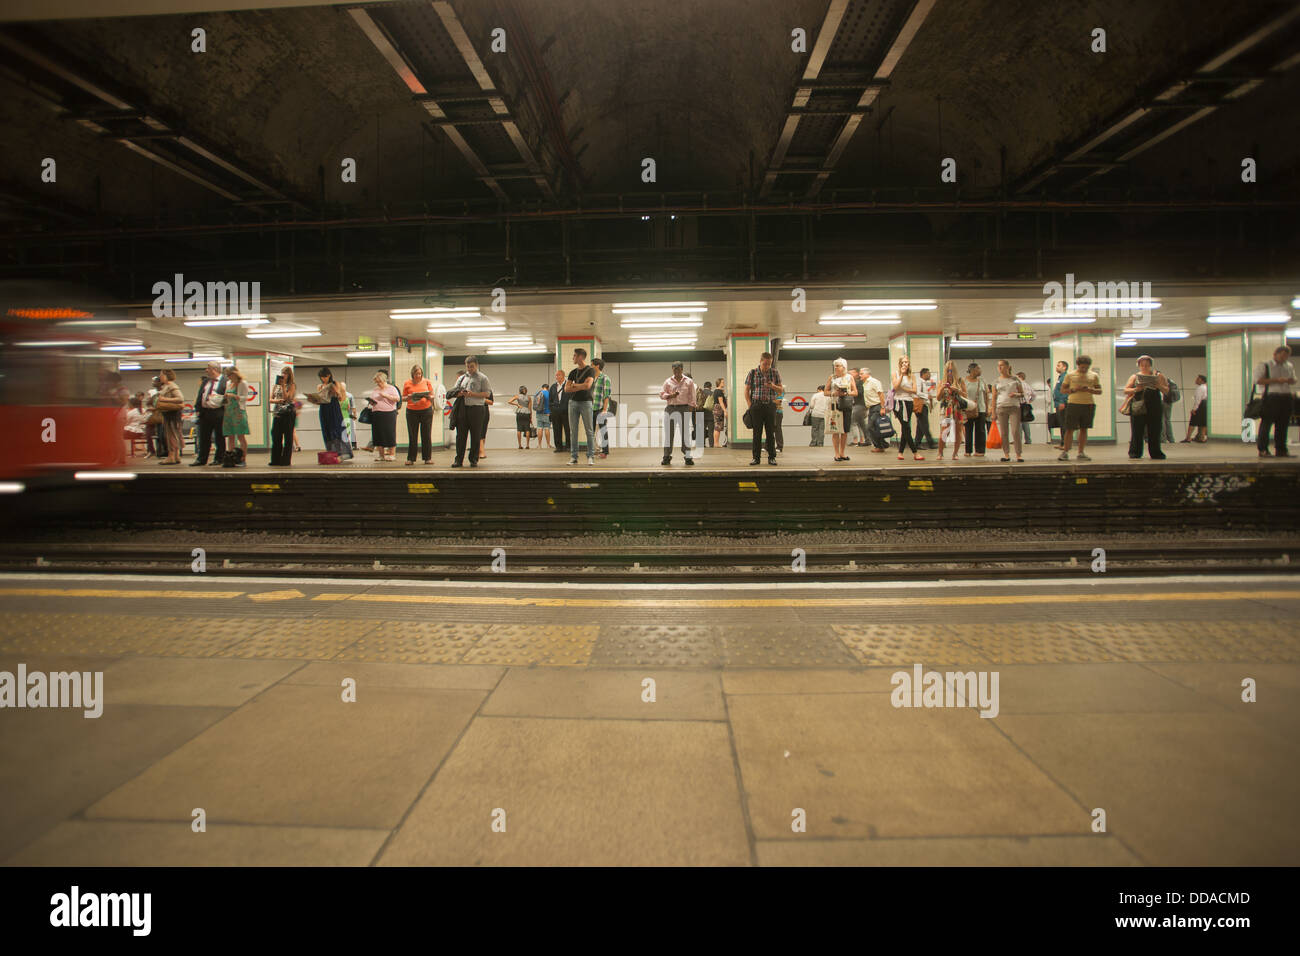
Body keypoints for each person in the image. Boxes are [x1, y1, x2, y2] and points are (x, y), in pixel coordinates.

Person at [1122, 355, 1169, 460]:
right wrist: (1136, 389)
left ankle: (1156, 452)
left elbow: (1166, 390)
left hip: (1154, 405)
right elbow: (1125, 390)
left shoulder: (1159, 375)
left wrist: (1158, 385)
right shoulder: (1134, 376)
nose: (1144, 367)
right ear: (1138, 366)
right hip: (1138, 404)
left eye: (1147, 365)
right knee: (1137, 429)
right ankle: (1135, 452)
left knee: (1155, 429)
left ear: (1151, 365)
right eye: (1142, 365)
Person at [450, 356, 493, 468]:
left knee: (475, 435)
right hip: (463, 409)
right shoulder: (462, 378)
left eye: (472, 367)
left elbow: (487, 394)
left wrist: (472, 394)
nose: (470, 369)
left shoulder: (483, 378)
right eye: (468, 367)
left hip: (477, 409)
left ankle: (473, 459)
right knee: (461, 436)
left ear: (476, 365)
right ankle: (458, 460)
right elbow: (454, 390)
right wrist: (460, 393)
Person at [1255, 345, 1296, 458]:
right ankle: (1263, 449)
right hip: (1271, 397)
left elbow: (1294, 379)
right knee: (1266, 424)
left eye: (1286, 356)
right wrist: (1276, 380)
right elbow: (1258, 380)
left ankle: (1281, 449)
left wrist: (1290, 380)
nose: (1284, 359)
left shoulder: (1289, 366)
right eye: (1282, 356)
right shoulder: (1265, 365)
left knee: (1283, 424)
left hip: (1286, 397)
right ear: (1275, 354)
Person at [1058, 355, 1102, 462]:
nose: (1084, 369)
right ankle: (1065, 451)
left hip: (1088, 404)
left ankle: (1081, 452)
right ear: (1078, 365)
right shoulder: (1070, 375)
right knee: (1070, 429)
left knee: (1084, 428)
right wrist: (1074, 389)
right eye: (1082, 367)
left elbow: (1099, 390)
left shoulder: (1094, 375)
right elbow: (1063, 390)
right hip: (1073, 404)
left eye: (1086, 367)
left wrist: (1090, 390)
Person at [745, 351, 783, 465]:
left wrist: (773, 386)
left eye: (769, 364)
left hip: (770, 405)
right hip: (756, 405)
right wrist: (750, 405)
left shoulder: (774, 373)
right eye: (765, 364)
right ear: (760, 361)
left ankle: (772, 457)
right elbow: (746, 390)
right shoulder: (752, 373)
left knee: (770, 432)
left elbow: (781, 390)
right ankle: (756, 458)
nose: (767, 366)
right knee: (757, 433)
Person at [659, 361, 696, 465]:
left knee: (685, 434)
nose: (676, 371)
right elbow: (661, 394)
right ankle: (666, 456)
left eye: (678, 369)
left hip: (684, 408)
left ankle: (687, 456)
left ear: (682, 369)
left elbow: (693, 397)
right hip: (670, 408)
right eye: (674, 369)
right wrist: (670, 396)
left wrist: (691, 408)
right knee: (668, 434)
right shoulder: (667, 381)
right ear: (672, 370)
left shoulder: (689, 381)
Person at [564, 348, 597, 465]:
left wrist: (574, 385)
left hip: (586, 402)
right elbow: (566, 388)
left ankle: (590, 456)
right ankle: (574, 457)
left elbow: (588, 386)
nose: (573, 358)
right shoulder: (573, 372)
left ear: (581, 357)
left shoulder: (590, 371)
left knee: (589, 430)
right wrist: (579, 386)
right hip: (573, 402)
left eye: (574, 356)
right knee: (573, 431)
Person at [192, 361, 227, 466]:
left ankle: (219, 458)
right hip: (205, 412)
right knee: (203, 437)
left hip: (218, 412)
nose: (206, 370)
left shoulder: (225, 381)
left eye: (208, 368)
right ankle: (201, 459)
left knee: (219, 437)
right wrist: (198, 409)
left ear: (214, 369)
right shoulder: (206, 381)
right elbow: (200, 395)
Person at [993, 359, 1028, 462]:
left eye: (1002, 365)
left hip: (1014, 407)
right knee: (1004, 432)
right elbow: (994, 397)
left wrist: (1015, 394)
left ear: (1008, 367)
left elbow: (1022, 393)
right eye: (998, 366)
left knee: (1015, 431)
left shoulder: (1015, 379)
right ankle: (1006, 454)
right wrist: (993, 412)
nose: (1000, 368)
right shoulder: (996, 381)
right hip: (1001, 407)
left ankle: (1018, 454)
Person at [892, 355, 924, 461]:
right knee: (906, 427)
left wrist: (903, 388)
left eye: (907, 362)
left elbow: (914, 390)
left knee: (904, 428)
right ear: (900, 363)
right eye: (903, 362)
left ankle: (900, 452)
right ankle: (915, 452)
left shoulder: (912, 376)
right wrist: (901, 374)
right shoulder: (895, 374)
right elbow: (895, 387)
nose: (905, 364)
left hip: (909, 402)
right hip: (899, 403)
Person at [935, 359, 967, 461]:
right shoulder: (942, 382)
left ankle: (955, 453)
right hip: (946, 408)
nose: (950, 373)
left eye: (951, 370)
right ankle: (940, 452)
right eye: (948, 370)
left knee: (958, 431)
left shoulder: (960, 381)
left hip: (957, 408)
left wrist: (957, 390)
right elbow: (938, 398)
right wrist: (941, 388)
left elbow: (965, 395)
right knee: (944, 432)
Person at [403, 365, 435, 465]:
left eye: (420, 374)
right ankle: (411, 458)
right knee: (413, 435)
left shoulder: (427, 382)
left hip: (426, 410)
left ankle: (427, 458)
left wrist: (429, 396)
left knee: (426, 434)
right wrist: (408, 397)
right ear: (412, 374)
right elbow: (403, 398)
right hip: (411, 411)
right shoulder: (407, 383)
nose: (418, 376)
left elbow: (432, 395)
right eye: (416, 374)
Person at [315, 368, 349, 460]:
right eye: (321, 377)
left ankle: (339, 452)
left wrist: (335, 391)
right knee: (326, 430)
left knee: (336, 429)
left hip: (333, 408)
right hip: (324, 408)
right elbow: (319, 399)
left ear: (329, 375)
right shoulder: (320, 386)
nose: (323, 379)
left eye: (324, 377)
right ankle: (330, 451)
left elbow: (341, 397)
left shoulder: (335, 383)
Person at [367, 371, 401, 462]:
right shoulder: (375, 389)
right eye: (377, 382)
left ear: (384, 380)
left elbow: (397, 399)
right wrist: (371, 402)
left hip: (389, 413)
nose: (378, 384)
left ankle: (392, 454)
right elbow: (373, 399)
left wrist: (386, 395)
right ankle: (381, 455)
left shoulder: (392, 388)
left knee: (389, 433)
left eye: (379, 382)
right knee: (378, 434)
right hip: (376, 413)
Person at [827, 359, 856, 462]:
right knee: (836, 430)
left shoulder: (849, 377)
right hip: (835, 405)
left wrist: (846, 392)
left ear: (844, 367)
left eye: (838, 365)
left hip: (846, 405)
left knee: (844, 431)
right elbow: (825, 392)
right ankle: (836, 454)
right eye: (835, 366)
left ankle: (842, 452)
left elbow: (855, 392)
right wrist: (833, 393)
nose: (836, 367)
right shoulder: (832, 377)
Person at [220, 366, 250, 467]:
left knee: (240, 436)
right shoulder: (229, 383)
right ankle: (231, 457)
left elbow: (244, 397)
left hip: (238, 411)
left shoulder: (242, 383)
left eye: (230, 375)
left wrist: (233, 396)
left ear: (235, 374)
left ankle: (243, 458)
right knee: (230, 436)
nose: (228, 377)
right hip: (229, 412)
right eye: (227, 375)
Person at [155, 369, 185, 465]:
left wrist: (164, 399)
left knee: (171, 435)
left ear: (166, 375)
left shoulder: (171, 386)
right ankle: (176, 456)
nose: (160, 377)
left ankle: (171, 456)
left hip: (172, 414)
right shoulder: (167, 386)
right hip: (170, 414)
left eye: (161, 375)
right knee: (173, 434)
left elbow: (180, 398)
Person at [269, 366, 298, 467]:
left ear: (289, 375)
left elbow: (288, 398)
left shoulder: (292, 385)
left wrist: (282, 387)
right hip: (278, 412)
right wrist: (277, 400)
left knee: (288, 436)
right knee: (276, 435)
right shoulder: (275, 386)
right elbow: (270, 399)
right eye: (282, 373)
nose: (283, 375)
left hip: (288, 413)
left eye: (285, 374)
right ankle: (275, 459)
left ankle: (285, 460)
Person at [860, 367, 887, 453]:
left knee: (870, 427)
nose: (860, 375)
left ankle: (880, 445)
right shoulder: (865, 384)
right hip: (871, 408)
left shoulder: (874, 382)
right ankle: (882, 445)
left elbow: (881, 394)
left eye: (861, 374)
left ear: (867, 374)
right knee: (874, 427)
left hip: (877, 406)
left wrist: (883, 407)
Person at [963, 363, 988, 457]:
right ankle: (968, 451)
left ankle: (980, 450)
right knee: (968, 430)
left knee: (980, 430)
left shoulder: (982, 381)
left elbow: (986, 395)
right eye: (978, 369)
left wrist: (987, 407)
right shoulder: (964, 381)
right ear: (972, 370)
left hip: (981, 408)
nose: (980, 371)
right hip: (968, 409)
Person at [591, 359, 613, 459]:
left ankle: (605, 451)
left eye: (592, 365)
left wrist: (604, 409)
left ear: (597, 366)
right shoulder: (590, 378)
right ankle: (592, 450)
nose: (590, 366)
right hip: (590, 408)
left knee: (603, 429)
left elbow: (607, 395)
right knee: (590, 430)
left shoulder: (605, 378)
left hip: (600, 408)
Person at [1182, 375, 1209, 443]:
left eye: (1198, 379)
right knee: (1203, 422)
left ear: (1202, 380)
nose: (1196, 380)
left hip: (1201, 405)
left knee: (1193, 422)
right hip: (1206, 405)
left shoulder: (1200, 388)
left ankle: (1188, 438)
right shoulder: (1206, 387)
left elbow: (1198, 400)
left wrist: (1194, 409)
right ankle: (1202, 438)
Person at [1049, 359, 1069, 448]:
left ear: (1064, 367)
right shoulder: (1061, 377)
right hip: (1058, 404)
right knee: (1061, 424)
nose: (1057, 367)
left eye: (1058, 365)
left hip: (1062, 404)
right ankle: (1062, 443)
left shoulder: (1065, 377)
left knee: (1064, 424)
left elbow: (1065, 391)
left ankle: (1065, 444)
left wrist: (1062, 402)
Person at [915, 368, 936, 449]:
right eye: (928, 373)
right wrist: (927, 396)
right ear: (923, 374)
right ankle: (931, 443)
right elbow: (917, 392)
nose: (929, 375)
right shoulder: (919, 381)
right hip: (920, 406)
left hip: (924, 406)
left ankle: (917, 443)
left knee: (920, 427)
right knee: (925, 425)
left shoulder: (925, 383)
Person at [549, 369, 569, 454]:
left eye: (558, 375)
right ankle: (558, 447)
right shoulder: (553, 387)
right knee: (556, 429)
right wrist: (551, 409)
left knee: (568, 429)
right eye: (556, 375)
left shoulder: (568, 385)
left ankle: (569, 446)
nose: (557, 377)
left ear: (563, 376)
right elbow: (550, 399)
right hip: (555, 411)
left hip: (566, 411)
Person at [849, 367, 869, 446]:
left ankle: (855, 441)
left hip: (860, 404)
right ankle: (864, 440)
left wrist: (851, 391)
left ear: (856, 373)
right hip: (860, 405)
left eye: (851, 373)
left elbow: (860, 393)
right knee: (861, 423)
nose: (849, 375)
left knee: (853, 422)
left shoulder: (859, 383)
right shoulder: (857, 382)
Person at [1015, 371, 1035, 445]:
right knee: (1026, 422)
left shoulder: (1018, 385)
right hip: (1026, 405)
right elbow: (1034, 394)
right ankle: (1028, 440)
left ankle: (1018, 440)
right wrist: (1029, 401)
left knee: (1018, 422)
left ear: (1020, 377)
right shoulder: (1028, 385)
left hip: (1019, 404)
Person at [533, 381, 552, 449]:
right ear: (548, 388)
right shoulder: (549, 393)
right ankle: (548, 445)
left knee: (540, 428)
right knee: (547, 428)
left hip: (539, 413)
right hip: (547, 413)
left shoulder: (538, 393)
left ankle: (539, 445)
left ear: (542, 387)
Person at [712, 378, 728, 447]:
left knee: (717, 426)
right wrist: (725, 411)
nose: (723, 383)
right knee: (718, 427)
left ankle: (716, 443)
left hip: (716, 408)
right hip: (719, 409)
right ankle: (716, 443)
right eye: (722, 382)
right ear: (719, 383)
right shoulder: (719, 391)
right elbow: (721, 402)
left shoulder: (716, 391)